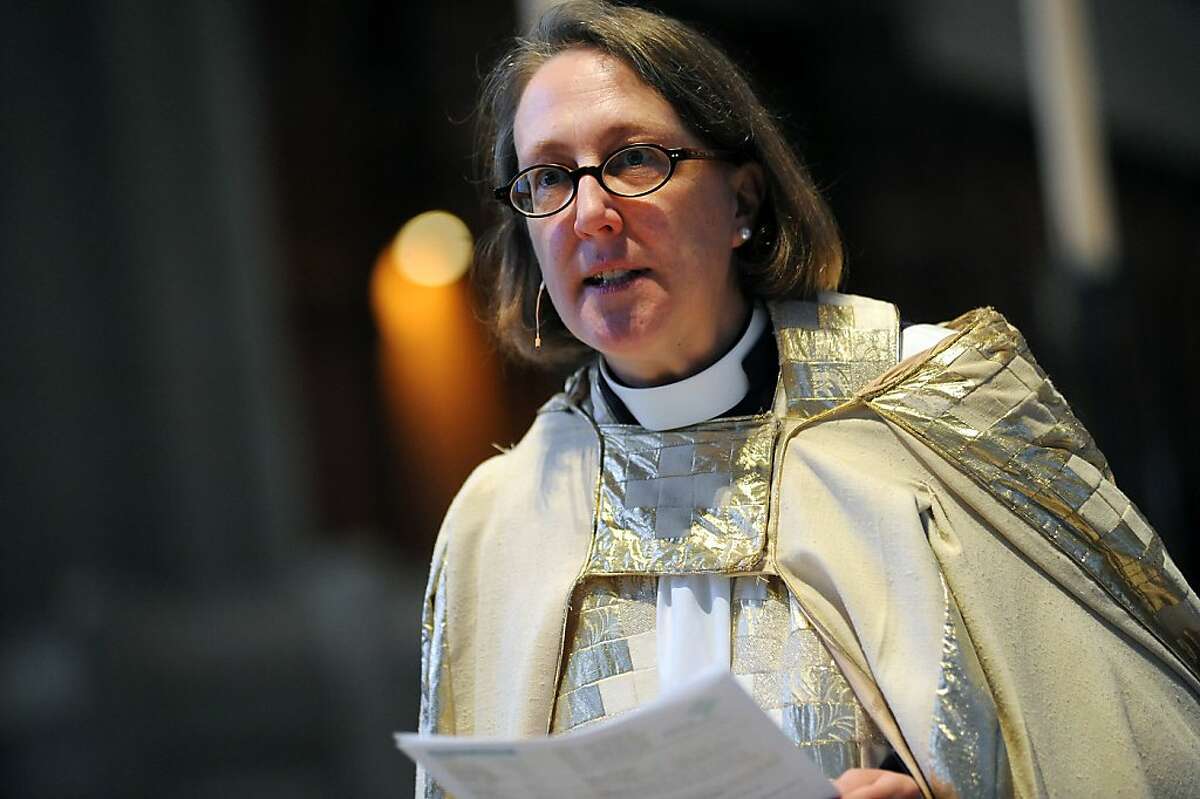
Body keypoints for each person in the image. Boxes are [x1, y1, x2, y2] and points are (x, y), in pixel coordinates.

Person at [417, 2, 1200, 797]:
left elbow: (1136, 749)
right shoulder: (503, 525)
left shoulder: (926, 411)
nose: (590, 214)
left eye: (633, 159)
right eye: (548, 177)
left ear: (744, 202)